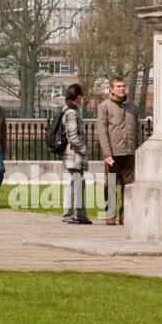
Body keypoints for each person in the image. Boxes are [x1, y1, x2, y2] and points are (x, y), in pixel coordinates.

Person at [97, 77, 140, 225]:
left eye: (123, 86)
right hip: (113, 153)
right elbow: (102, 131)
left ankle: (124, 215)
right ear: (112, 89)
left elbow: (137, 130)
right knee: (111, 184)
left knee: (127, 186)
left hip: (129, 152)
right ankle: (110, 214)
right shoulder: (104, 106)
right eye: (118, 86)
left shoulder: (132, 107)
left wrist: (138, 150)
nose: (121, 89)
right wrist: (107, 153)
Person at [61, 83, 92, 225]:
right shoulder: (72, 113)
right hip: (74, 154)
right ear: (78, 97)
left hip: (74, 154)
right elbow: (73, 136)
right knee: (74, 184)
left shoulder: (70, 110)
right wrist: (83, 149)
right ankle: (68, 215)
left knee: (80, 183)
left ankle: (81, 214)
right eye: (82, 96)